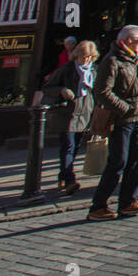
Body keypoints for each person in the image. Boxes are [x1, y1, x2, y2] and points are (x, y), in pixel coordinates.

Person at [87, 25, 138, 222]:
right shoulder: (113, 61)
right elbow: (102, 92)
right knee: (118, 161)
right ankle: (99, 205)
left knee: (136, 160)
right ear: (128, 41)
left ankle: (129, 201)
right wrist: (124, 108)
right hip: (123, 120)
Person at [41, 40, 99, 195]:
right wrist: (62, 90)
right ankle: (70, 180)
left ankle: (63, 175)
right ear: (77, 55)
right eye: (83, 57)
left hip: (85, 112)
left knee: (76, 147)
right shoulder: (66, 70)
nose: (85, 60)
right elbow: (47, 87)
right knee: (68, 146)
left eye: (89, 57)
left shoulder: (93, 71)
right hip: (67, 114)